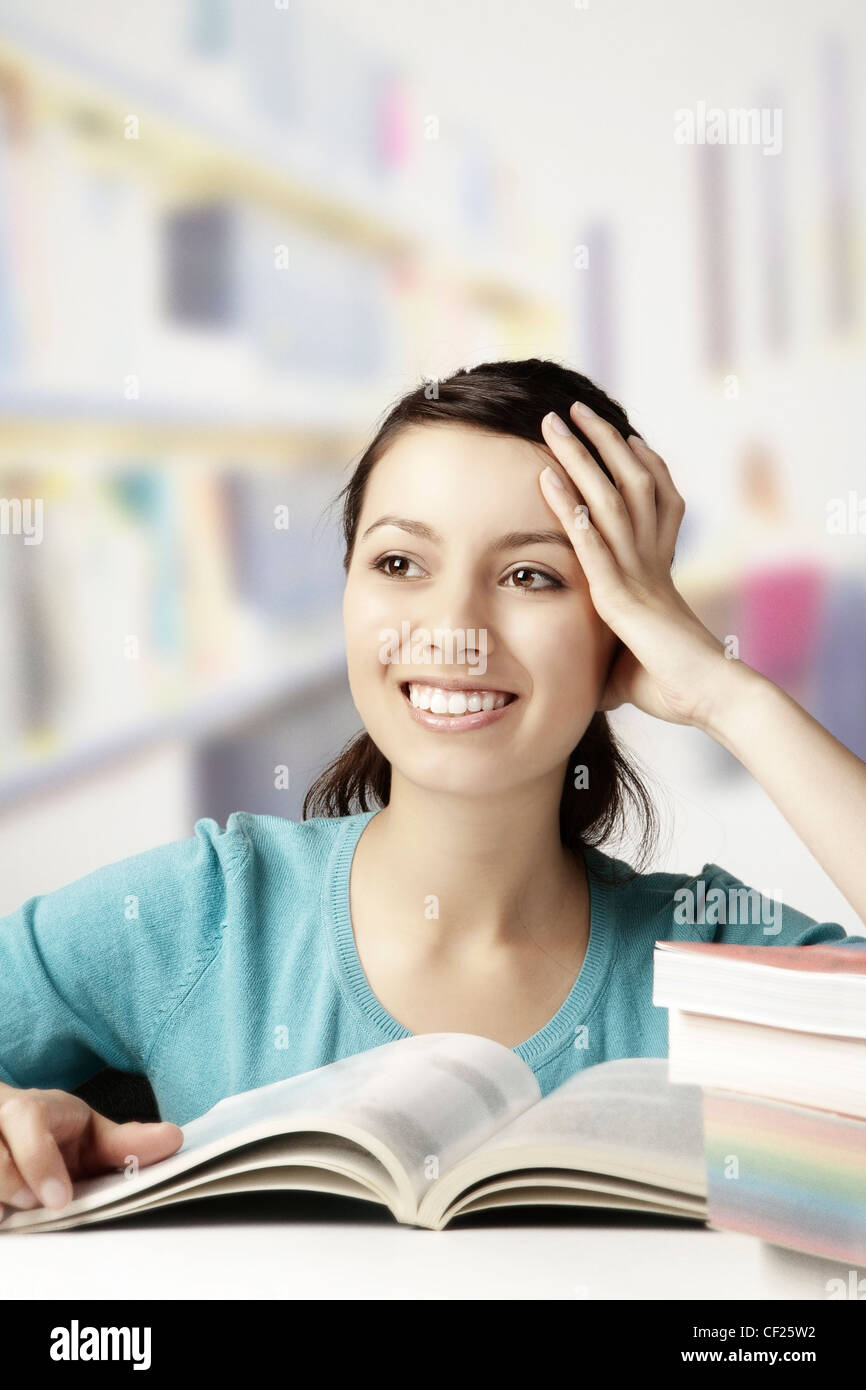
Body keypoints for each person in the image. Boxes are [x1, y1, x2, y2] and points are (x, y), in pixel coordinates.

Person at [1, 358, 864, 1220]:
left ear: (622, 632)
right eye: (400, 563)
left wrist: (727, 693)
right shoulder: (210, 913)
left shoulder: (704, 957)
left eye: (531, 575)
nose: (453, 631)